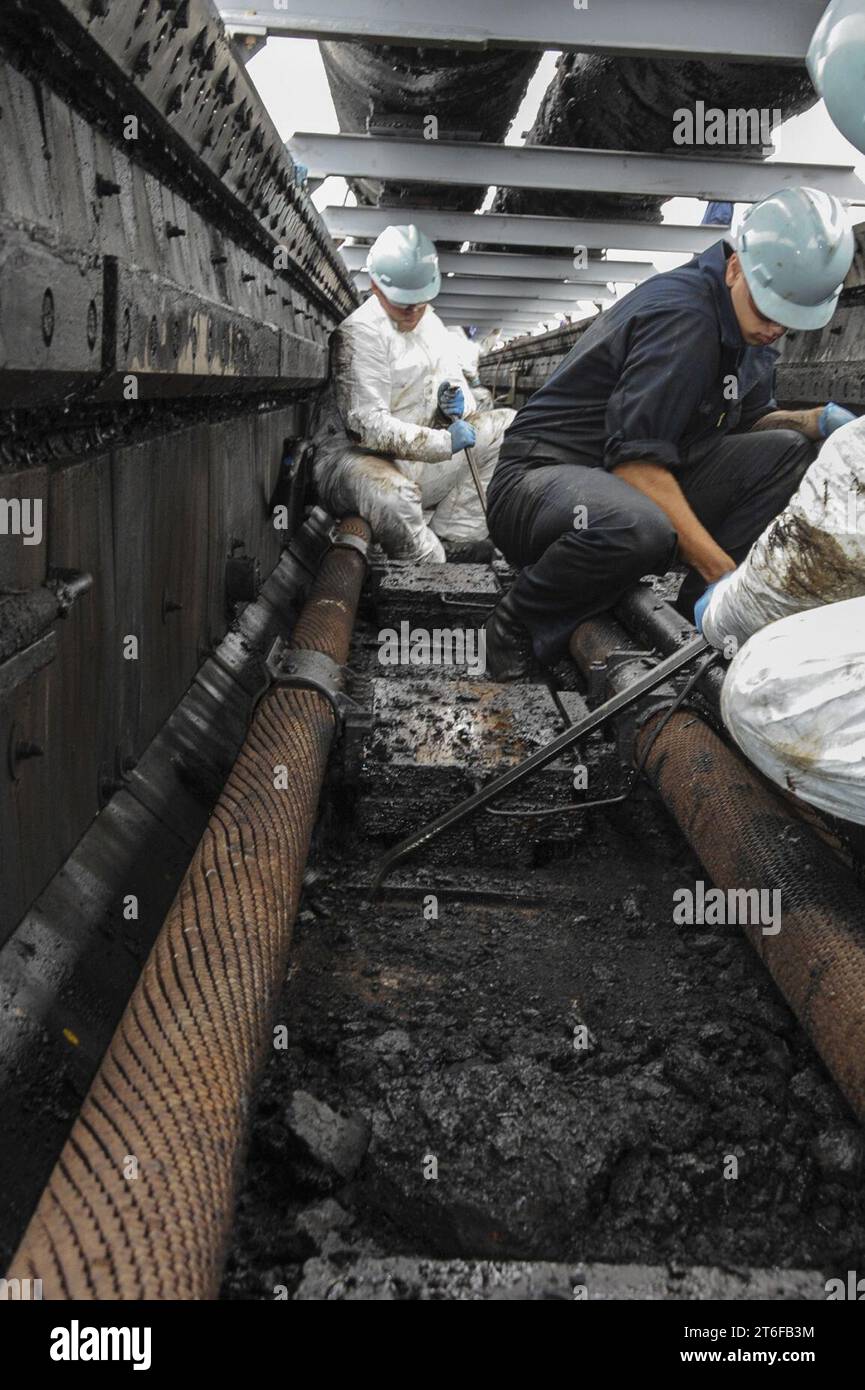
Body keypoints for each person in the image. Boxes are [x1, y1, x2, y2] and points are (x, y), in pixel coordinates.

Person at [482, 187, 855, 679]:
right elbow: (636, 465)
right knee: (637, 527)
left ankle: (697, 620)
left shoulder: (750, 331)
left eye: (788, 324)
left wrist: (814, 422)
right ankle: (514, 625)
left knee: (787, 453)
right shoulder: (684, 318)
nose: (773, 330)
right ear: (735, 267)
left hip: (619, 487)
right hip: (539, 485)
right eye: (768, 313)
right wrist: (727, 573)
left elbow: (747, 426)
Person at [313, 225, 515, 563]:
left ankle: (455, 539)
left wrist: (452, 401)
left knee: (506, 427)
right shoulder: (359, 333)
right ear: (376, 286)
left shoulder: (430, 323)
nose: (413, 312)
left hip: (416, 458)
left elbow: (455, 386)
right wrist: (442, 443)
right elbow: (366, 427)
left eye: (420, 303)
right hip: (355, 462)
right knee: (395, 496)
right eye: (403, 304)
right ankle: (429, 572)